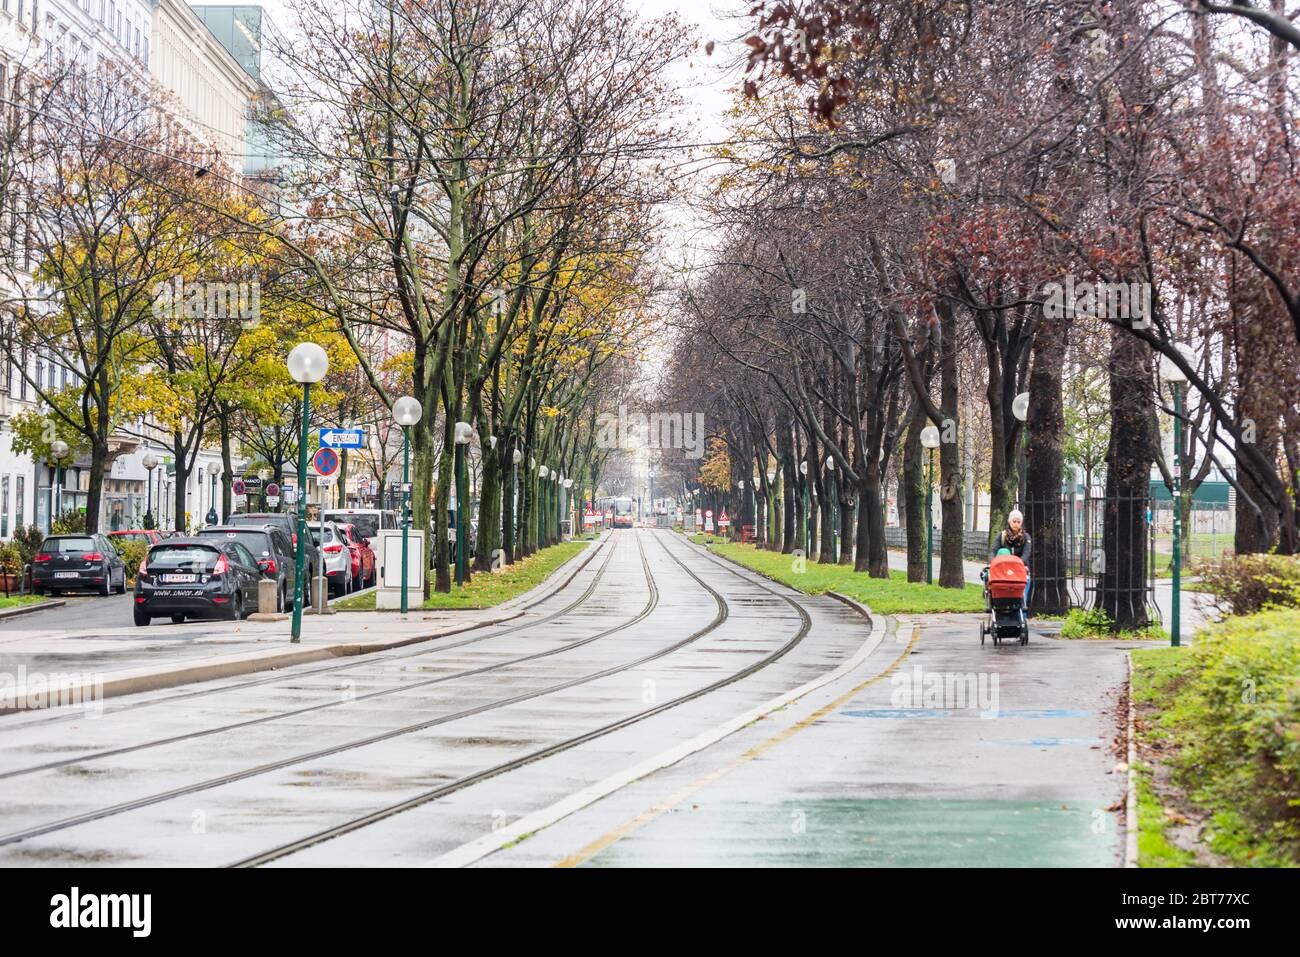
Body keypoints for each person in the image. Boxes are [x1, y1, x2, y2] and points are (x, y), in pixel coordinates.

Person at [990, 509, 1033, 613]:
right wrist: (993, 563)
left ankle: (1022, 611)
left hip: (1020, 570)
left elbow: (1026, 554)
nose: (1016, 524)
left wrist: (1018, 564)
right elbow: (993, 551)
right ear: (1009, 521)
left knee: (1025, 586)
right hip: (1003, 570)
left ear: (1021, 523)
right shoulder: (1002, 536)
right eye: (1014, 521)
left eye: (1018, 522)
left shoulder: (1025, 537)